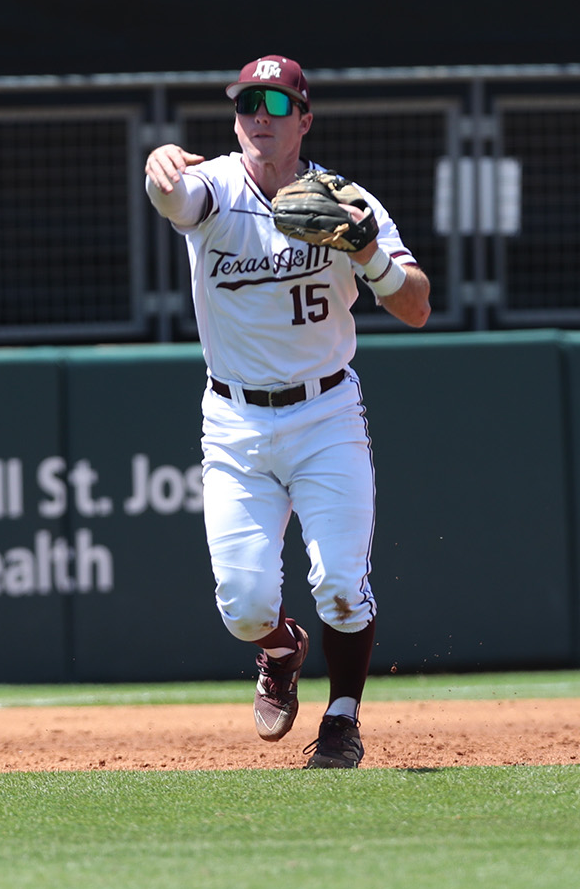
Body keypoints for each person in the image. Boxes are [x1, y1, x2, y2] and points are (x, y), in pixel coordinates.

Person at [142, 55, 430, 769]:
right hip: (235, 423)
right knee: (242, 606)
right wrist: (158, 171)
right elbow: (174, 202)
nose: (259, 117)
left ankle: (342, 717)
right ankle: (281, 648)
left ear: (304, 118)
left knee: (340, 585)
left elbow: (417, 305)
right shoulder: (213, 188)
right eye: (247, 105)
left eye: (276, 104)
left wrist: (367, 251)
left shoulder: (344, 199)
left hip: (325, 414)